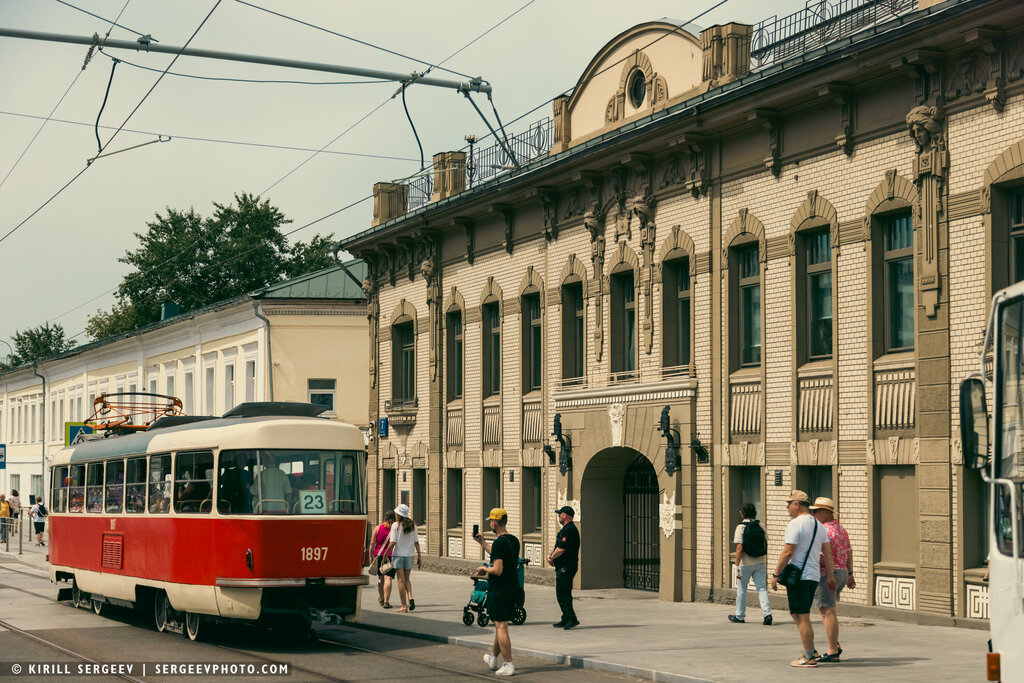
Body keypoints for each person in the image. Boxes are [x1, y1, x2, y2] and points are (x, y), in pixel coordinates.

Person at [770, 490, 835, 668]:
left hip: (799, 575)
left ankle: (808, 657)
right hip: (813, 576)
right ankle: (811, 650)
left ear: (797, 505)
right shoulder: (819, 525)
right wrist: (829, 576)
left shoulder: (796, 524)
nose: (787, 507)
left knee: (802, 615)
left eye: (789, 503)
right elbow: (828, 554)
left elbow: (788, 551)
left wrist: (776, 574)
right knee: (797, 613)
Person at [474, 508, 519, 677]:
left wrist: (484, 568)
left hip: (499, 589)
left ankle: (508, 664)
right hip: (512, 588)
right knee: (501, 625)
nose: (490, 524)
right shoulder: (513, 540)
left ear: (494, 522)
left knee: (501, 626)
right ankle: (493, 657)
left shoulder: (500, 542)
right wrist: (482, 543)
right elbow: (498, 555)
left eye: (490, 522)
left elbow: (498, 569)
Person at [810, 497, 854, 663]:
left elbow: (822, 556)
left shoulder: (823, 531)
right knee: (829, 610)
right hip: (842, 571)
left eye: (816, 511)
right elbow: (849, 551)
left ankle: (832, 650)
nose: (813, 514)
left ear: (827, 512)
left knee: (827, 611)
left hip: (827, 574)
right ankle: (834, 644)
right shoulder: (841, 529)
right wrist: (850, 573)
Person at [729, 502, 772, 625]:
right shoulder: (761, 525)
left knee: (742, 590)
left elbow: (739, 548)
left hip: (745, 564)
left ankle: (740, 616)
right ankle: (767, 614)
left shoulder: (740, 527)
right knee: (762, 588)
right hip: (760, 562)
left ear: (742, 514)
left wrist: (737, 566)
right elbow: (765, 542)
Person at [382, 503, 421, 613]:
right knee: (407, 579)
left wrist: (385, 554)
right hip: (409, 555)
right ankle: (410, 596)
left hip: (398, 555)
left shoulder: (396, 525)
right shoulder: (413, 525)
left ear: (399, 515)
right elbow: (416, 542)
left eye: (396, 513)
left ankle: (404, 606)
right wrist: (420, 556)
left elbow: (393, 542)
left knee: (400, 580)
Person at [547, 505, 580, 629]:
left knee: (563, 593)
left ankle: (571, 618)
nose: (558, 516)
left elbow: (561, 549)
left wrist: (552, 558)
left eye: (559, 514)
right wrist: (550, 555)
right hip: (562, 566)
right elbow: (558, 545)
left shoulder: (569, 530)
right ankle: (566, 617)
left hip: (567, 566)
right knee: (562, 592)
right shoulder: (564, 530)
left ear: (565, 515)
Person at [372, 510, 397, 608]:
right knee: (388, 578)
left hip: (379, 555)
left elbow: (372, 544)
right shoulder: (396, 529)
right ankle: (386, 601)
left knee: (380, 578)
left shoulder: (378, 528)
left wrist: (370, 556)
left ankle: (381, 598)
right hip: (391, 555)